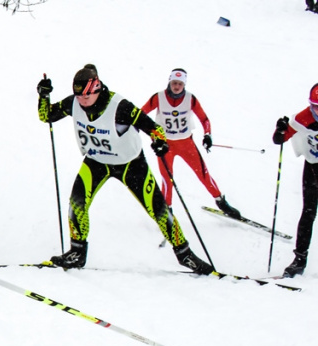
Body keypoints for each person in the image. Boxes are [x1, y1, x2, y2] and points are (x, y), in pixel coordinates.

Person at [36, 64, 214, 274]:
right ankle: (77, 252)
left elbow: (154, 128)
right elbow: (46, 115)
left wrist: (160, 142)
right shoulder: (74, 102)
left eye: (86, 97)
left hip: (130, 163)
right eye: (78, 96)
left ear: (97, 89)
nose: (82, 101)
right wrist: (43, 96)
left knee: (159, 210)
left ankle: (185, 255)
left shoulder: (118, 105)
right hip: (97, 161)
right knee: (76, 203)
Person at [141, 68, 241, 220]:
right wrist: (154, 136)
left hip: (186, 143)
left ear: (184, 85)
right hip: (166, 145)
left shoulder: (190, 99)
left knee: (203, 174)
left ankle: (221, 201)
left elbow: (204, 119)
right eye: (174, 83)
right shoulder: (158, 97)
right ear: (169, 82)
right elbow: (141, 116)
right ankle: (167, 209)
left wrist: (207, 135)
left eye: (180, 84)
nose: (176, 86)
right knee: (167, 178)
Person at [271, 83, 318, 277]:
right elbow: (279, 139)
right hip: (313, 168)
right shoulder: (303, 118)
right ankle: (300, 259)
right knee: (308, 213)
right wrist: (280, 129)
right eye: (315, 106)